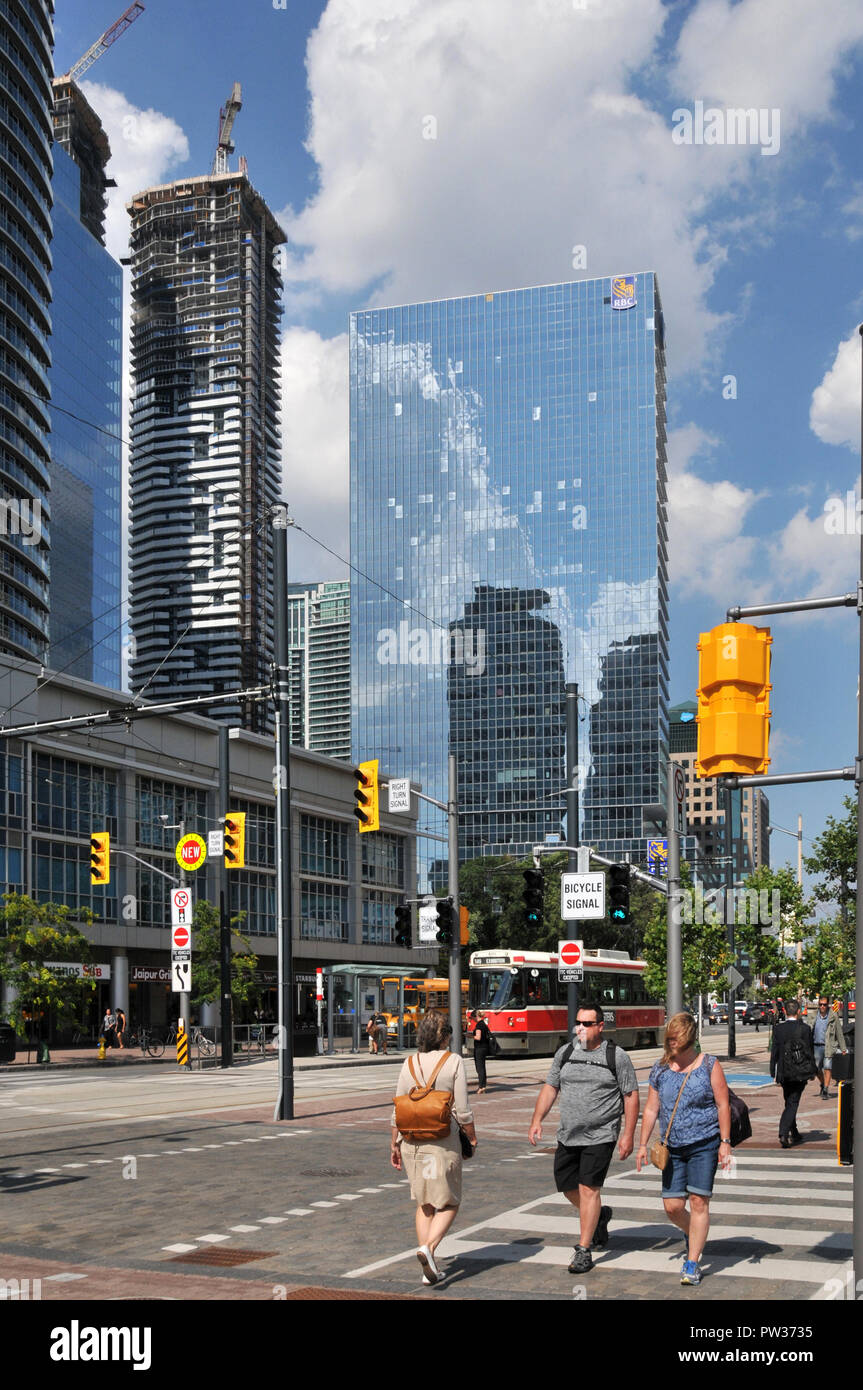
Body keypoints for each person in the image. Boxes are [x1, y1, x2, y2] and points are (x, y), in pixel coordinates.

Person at [528, 999, 638, 1275]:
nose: (580, 1028)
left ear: (600, 1026)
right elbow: (551, 1087)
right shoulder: (565, 1052)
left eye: (587, 1023)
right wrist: (536, 1119)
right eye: (577, 1022)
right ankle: (598, 1216)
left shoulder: (616, 1056)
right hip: (568, 1134)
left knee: (590, 1189)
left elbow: (631, 1096)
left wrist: (628, 1135)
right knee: (567, 1186)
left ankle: (584, 1249)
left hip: (601, 1134)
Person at [636, 1012, 732, 1286]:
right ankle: (695, 1233)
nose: (671, 1043)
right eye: (668, 1038)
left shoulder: (709, 1065)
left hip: (705, 1143)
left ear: (689, 1038)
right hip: (672, 1146)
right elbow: (652, 1108)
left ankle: (692, 1262)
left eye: (675, 1039)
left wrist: (725, 1143)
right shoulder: (661, 1069)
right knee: (672, 1207)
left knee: (699, 1201)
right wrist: (642, 1144)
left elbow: (723, 1104)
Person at [391, 1011, 477, 1285]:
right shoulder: (453, 1061)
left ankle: (427, 1267)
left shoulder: (409, 1062)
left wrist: (393, 1142)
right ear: (445, 1036)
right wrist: (472, 1138)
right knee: (450, 1201)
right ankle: (428, 1249)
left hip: (412, 1142)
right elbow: (462, 1109)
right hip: (441, 1141)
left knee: (424, 1202)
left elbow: (398, 1107)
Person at [770, 998, 817, 1143]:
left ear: (784, 1011)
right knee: (793, 1102)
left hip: (784, 1072)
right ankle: (783, 1133)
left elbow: (775, 1052)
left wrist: (773, 1071)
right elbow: (810, 1051)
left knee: (789, 1100)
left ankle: (794, 1131)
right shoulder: (805, 1029)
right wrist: (813, 1070)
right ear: (798, 1011)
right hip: (800, 1071)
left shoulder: (779, 1029)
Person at [811, 996, 847, 1098]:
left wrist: (843, 1047)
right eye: (820, 1004)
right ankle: (822, 1084)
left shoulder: (833, 1016)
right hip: (816, 1046)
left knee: (827, 1067)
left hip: (829, 1046)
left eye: (824, 1004)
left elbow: (839, 1033)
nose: (822, 1006)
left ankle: (826, 1090)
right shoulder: (813, 1015)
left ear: (828, 1005)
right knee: (816, 1069)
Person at [468, 1009, 493, 1092]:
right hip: (484, 1048)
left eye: (472, 1018)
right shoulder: (483, 1024)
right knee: (482, 1067)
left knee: (479, 1068)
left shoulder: (479, 1025)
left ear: (476, 1016)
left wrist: (470, 1036)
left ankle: (481, 1087)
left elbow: (478, 1037)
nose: (472, 1020)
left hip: (479, 1048)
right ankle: (483, 1086)